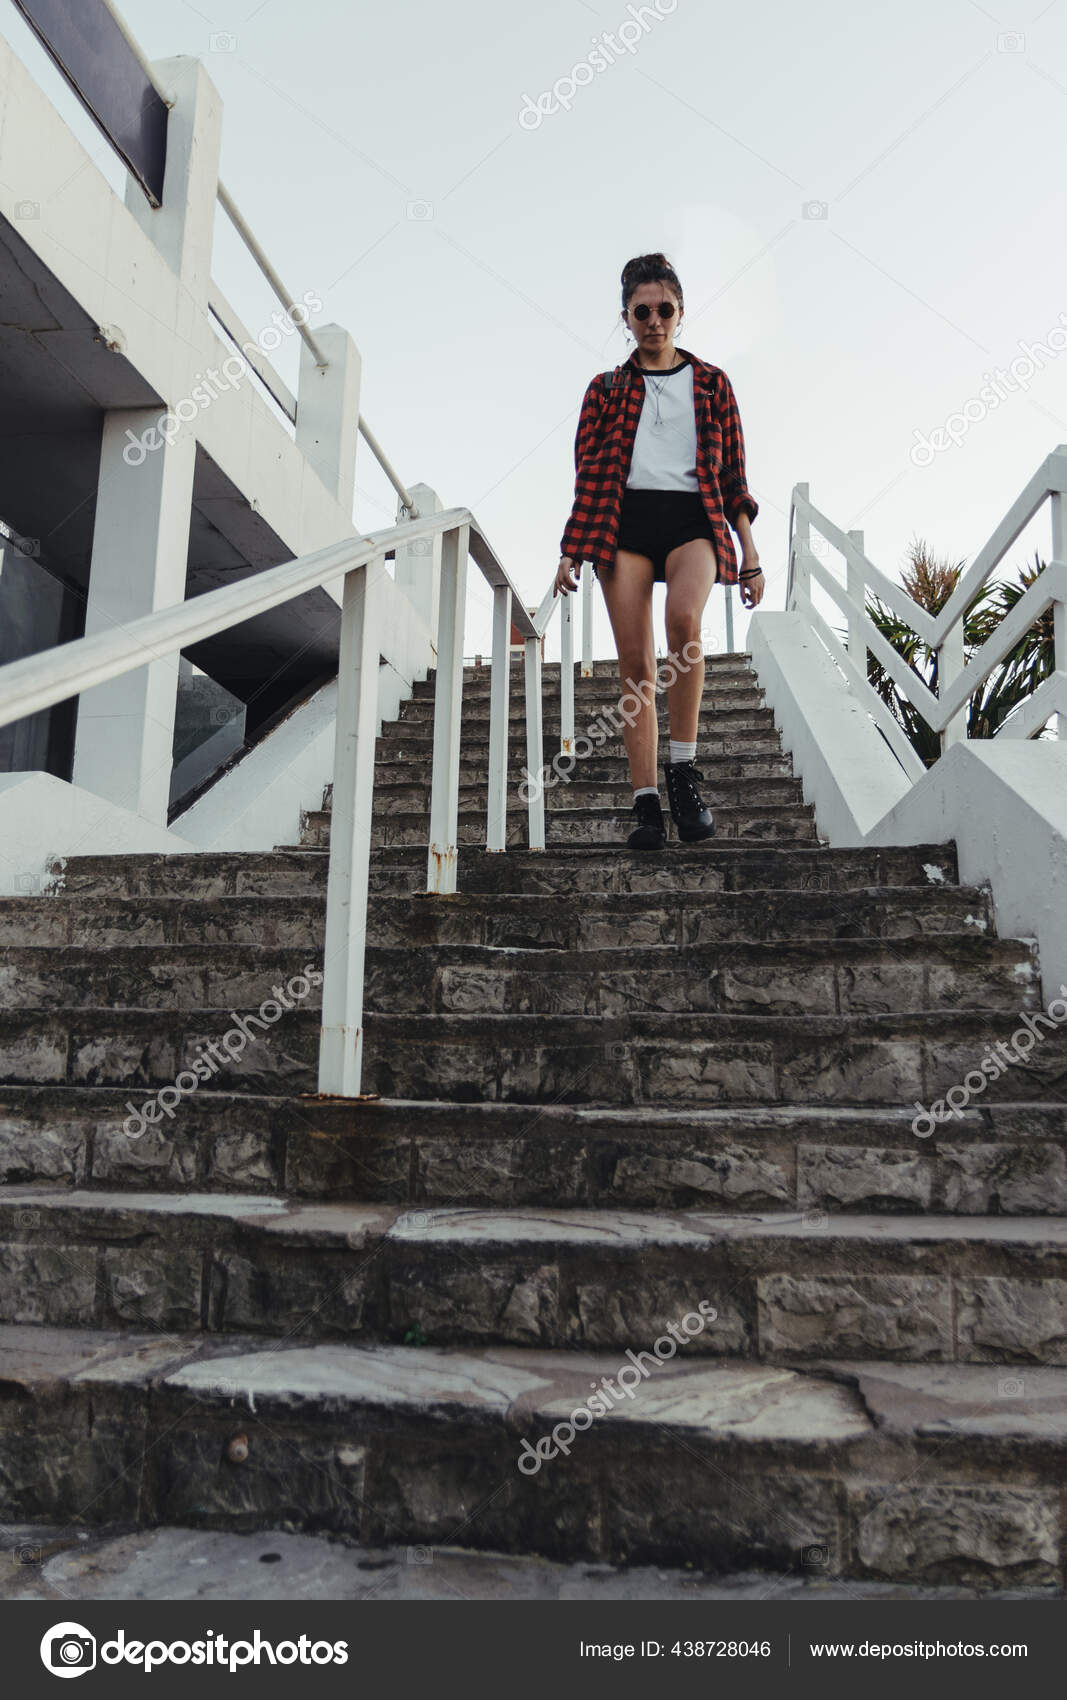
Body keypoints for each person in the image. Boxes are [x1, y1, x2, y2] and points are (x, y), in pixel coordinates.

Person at [554, 252, 764, 850]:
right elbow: (588, 474)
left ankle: (683, 772)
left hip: (692, 521)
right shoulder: (606, 388)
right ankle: (647, 801)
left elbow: (735, 479)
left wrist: (749, 553)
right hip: (624, 525)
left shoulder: (713, 383)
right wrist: (572, 548)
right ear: (626, 317)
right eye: (641, 311)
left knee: (684, 623)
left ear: (680, 313)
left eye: (664, 309)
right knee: (637, 668)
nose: (654, 320)